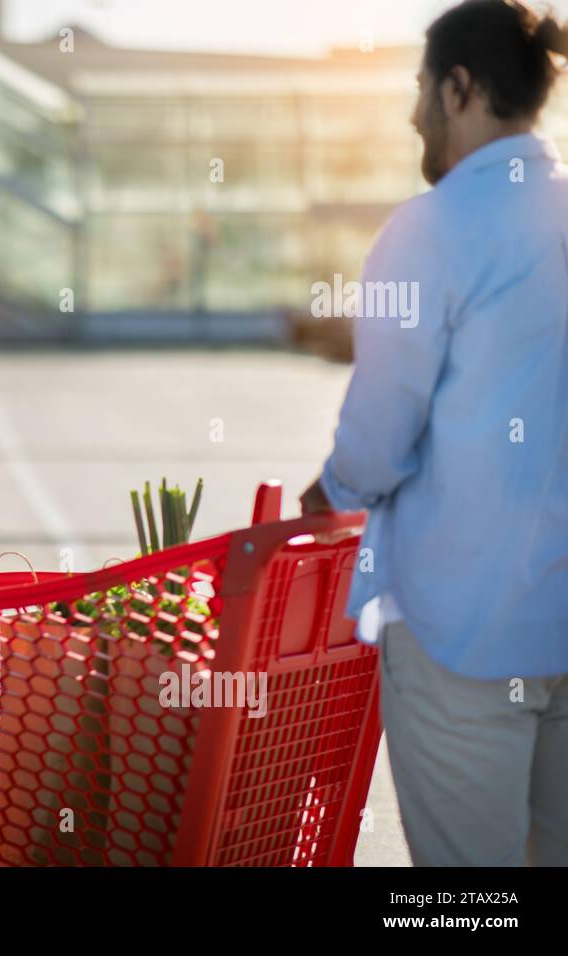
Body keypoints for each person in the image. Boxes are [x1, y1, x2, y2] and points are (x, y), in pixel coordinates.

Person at [301, 0, 568, 866]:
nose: (413, 110)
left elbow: (378, 441)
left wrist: (327, 494)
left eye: (421, 88)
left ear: (461, 88)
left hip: (466, 632)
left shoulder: (430, 229)